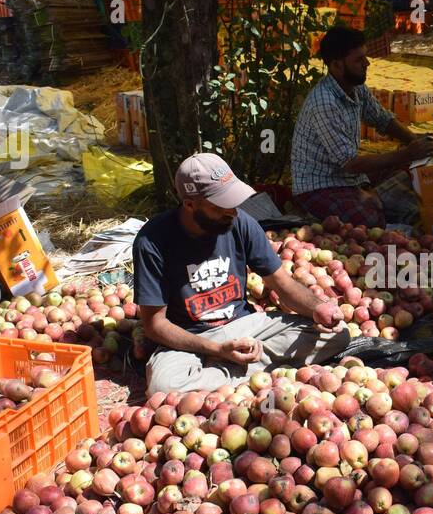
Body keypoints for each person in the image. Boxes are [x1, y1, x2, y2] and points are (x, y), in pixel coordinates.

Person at [134, 153, 351, 394]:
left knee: (338, 336)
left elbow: (282, 284)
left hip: (243, 326)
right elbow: (154, 324)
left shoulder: (240, 223)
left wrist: (317, 308)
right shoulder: (152, 241)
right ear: (190, 204)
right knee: (163, 387)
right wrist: (216, 350)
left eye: (233, 203)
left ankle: (216, 377)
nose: (233, 212)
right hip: (188, 337)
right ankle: (240, 370)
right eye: (221, 206)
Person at [290, 26, 433, 228]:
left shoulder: (356, 87)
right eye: (358, 60)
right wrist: (407, 154)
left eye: (365, 57)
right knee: (369, 220)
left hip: (351, 178)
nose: (367, 63)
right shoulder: (324, 103)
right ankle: (376, 199)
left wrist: (415, 143)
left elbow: (383, 119)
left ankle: (375, 196)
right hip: (321, 186)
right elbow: (350, 164)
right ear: (336, 66)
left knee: (417, 162)